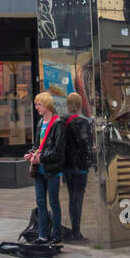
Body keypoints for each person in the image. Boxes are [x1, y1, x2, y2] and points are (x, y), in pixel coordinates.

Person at [24, 92, 67, 244]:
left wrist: (40, 158)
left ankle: (56, 235)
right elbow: (37, 145)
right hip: (39, 170)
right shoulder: (40, 123)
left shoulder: (58, 124)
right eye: (36, 104)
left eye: (39, 104)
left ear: (47, 105)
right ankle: (43, 234)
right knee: (40, 201)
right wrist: (30, 154)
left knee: (54, 202)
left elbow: (58, 150)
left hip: (51, 169)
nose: (36, 108)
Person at [62, 92, 93, 243]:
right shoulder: (83, 122)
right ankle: (76, 231)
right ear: (80, 104)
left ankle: (74, 229)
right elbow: (86, 144)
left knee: (71, 197)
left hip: (67, 166)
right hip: (80, 166)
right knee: (78, 198)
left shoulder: (63, 121)